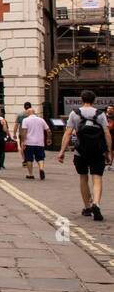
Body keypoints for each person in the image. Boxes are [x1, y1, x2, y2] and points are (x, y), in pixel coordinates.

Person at [58, 89, 109, 221]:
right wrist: (108, 151)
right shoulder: (100, 114)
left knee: (83, 178)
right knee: (97, 178)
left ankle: (87, 207)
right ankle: (96, 203)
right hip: (97, 152)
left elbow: (68, 133)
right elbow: (107, 134)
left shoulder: (74, 114)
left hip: (80, 152)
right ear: (94, 100)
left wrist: (62, 151)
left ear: (81, 99)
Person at [19, 105, 50, 181]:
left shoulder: (25, 120)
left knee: (29, 159)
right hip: (40, 142)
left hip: (29, 142)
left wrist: (23, 142)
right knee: (40, 157)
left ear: (27, 113)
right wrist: (49, 139)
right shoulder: (41, 120)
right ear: (34, 113)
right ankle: (41, 169)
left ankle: (31, 174)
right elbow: (48, 130)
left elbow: (24, 132)